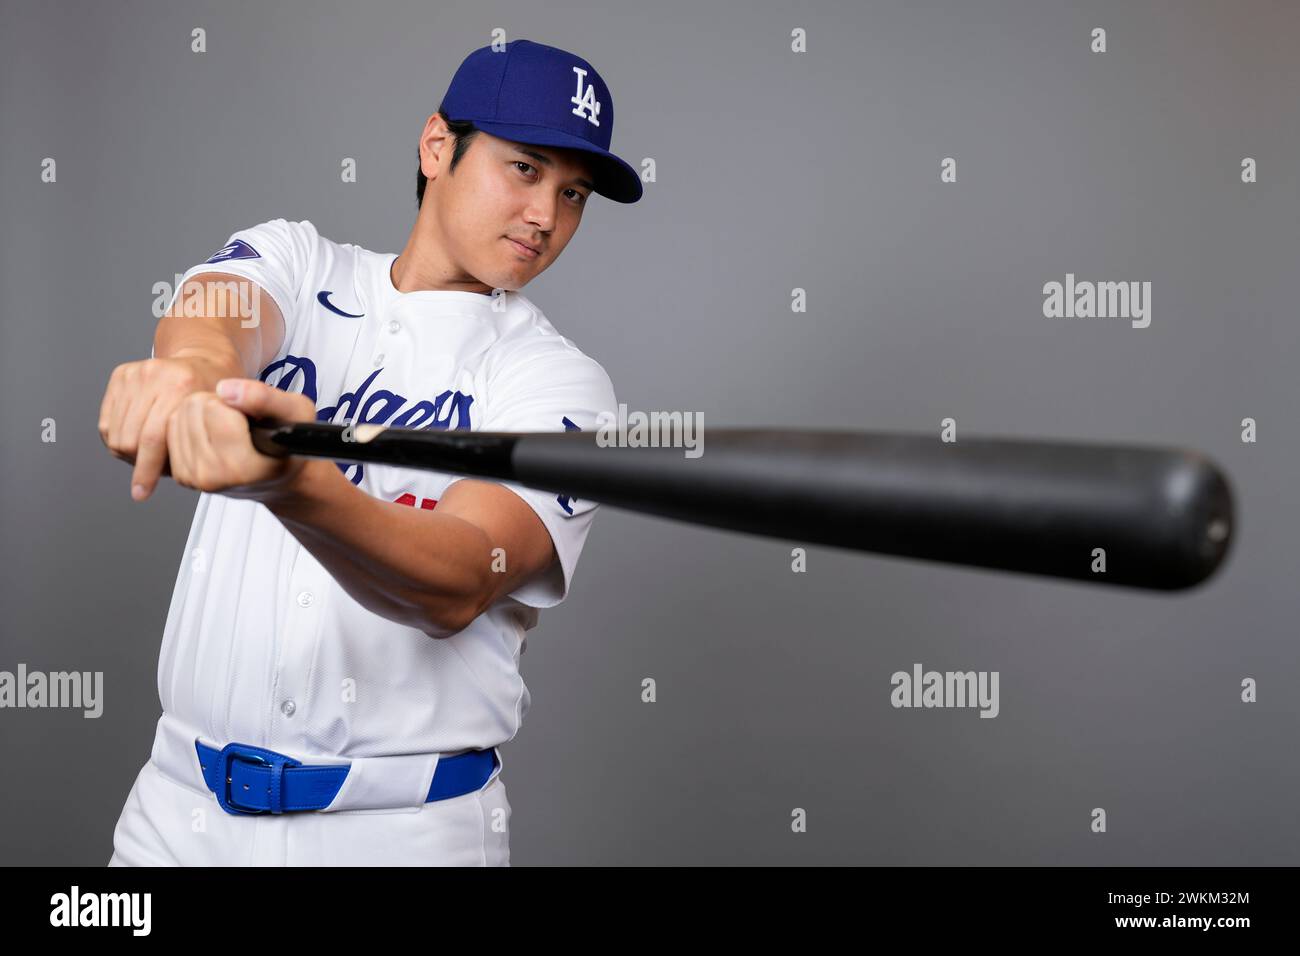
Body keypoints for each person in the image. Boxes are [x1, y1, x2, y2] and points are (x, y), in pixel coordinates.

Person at [98, 38, 642, 866]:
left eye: (573, 193)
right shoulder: (300, 259)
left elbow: (457, 580)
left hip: (399, 832)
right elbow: (215, 317)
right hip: (178, 815)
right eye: (525, 169)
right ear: (436, 147)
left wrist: (293, 487)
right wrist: (190, 383)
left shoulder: (559, 382)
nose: (547, 216)